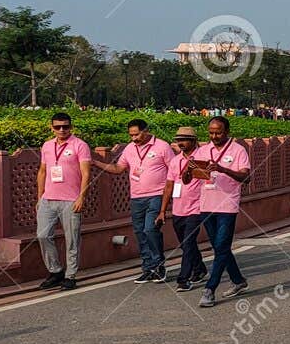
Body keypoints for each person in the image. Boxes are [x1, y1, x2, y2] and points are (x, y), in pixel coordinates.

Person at [92, 118, 171, 282]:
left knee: (151, 229)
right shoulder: (129, 148)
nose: (134, 138)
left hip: (156, 195)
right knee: (140, 232)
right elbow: (118, 168)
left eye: (137, 134)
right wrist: (95, 162)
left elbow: (173, 171)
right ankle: (148, 268)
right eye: (131, 135)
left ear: (146, 130)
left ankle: (159, 266)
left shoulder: (162, 146)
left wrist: (170, 196)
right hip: (136, 197)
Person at [192, 115, 252, 308]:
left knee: (222, 245)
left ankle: (210, 289)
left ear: (227, 132)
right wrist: (188, 170)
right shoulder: (202, 150)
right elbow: (190, 177)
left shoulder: (238, 150)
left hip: (227, 205)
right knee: (220, 248)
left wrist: (223, 169)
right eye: (211, 132)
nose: (214, 136)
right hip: (206, 204)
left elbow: (246, 177)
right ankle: (238, 280)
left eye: (218, 132)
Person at [34, 111, 91, 290]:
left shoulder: (79, 145)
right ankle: (55, 270)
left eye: (65, 126)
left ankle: (70, 275)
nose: (61, 130)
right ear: (52, 128)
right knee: (42, 235)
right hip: (48, 199)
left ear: (71, 127)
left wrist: (81, 196)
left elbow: (86, 173)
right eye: (57, 127)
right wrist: (40, 196)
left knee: (72, 238)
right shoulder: (47, 146)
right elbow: (42, 171)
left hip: (70, 200)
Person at [163, 125, 208, 290]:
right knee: (185, 243)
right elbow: (169, 185)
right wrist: (162, 211)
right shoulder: (175, 161)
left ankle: (183, 279)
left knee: (188, 242)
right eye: (178, 140)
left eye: (184, 140)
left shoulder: (203, 157)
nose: (180, 143)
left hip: (197, 207)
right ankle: (199, 268)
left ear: (193, 141)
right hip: (178, 207)